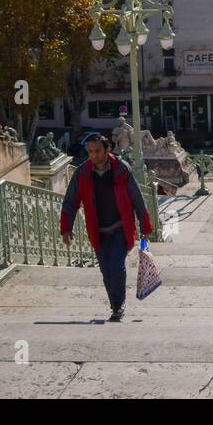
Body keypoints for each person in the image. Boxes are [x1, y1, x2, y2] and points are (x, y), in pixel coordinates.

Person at [60, 132, 154, 322]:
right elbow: (71, 201)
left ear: (107, 150)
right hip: (98, 230)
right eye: (90, 152)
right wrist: (66, 227)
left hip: (121, 226)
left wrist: (144, 223)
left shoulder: (121, 168)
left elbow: (136, 197)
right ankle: (114, 303)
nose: (94, 155)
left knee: (117, 266)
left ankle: (119, 306)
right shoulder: (82, 173)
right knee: (106, 270)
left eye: (97, 151)